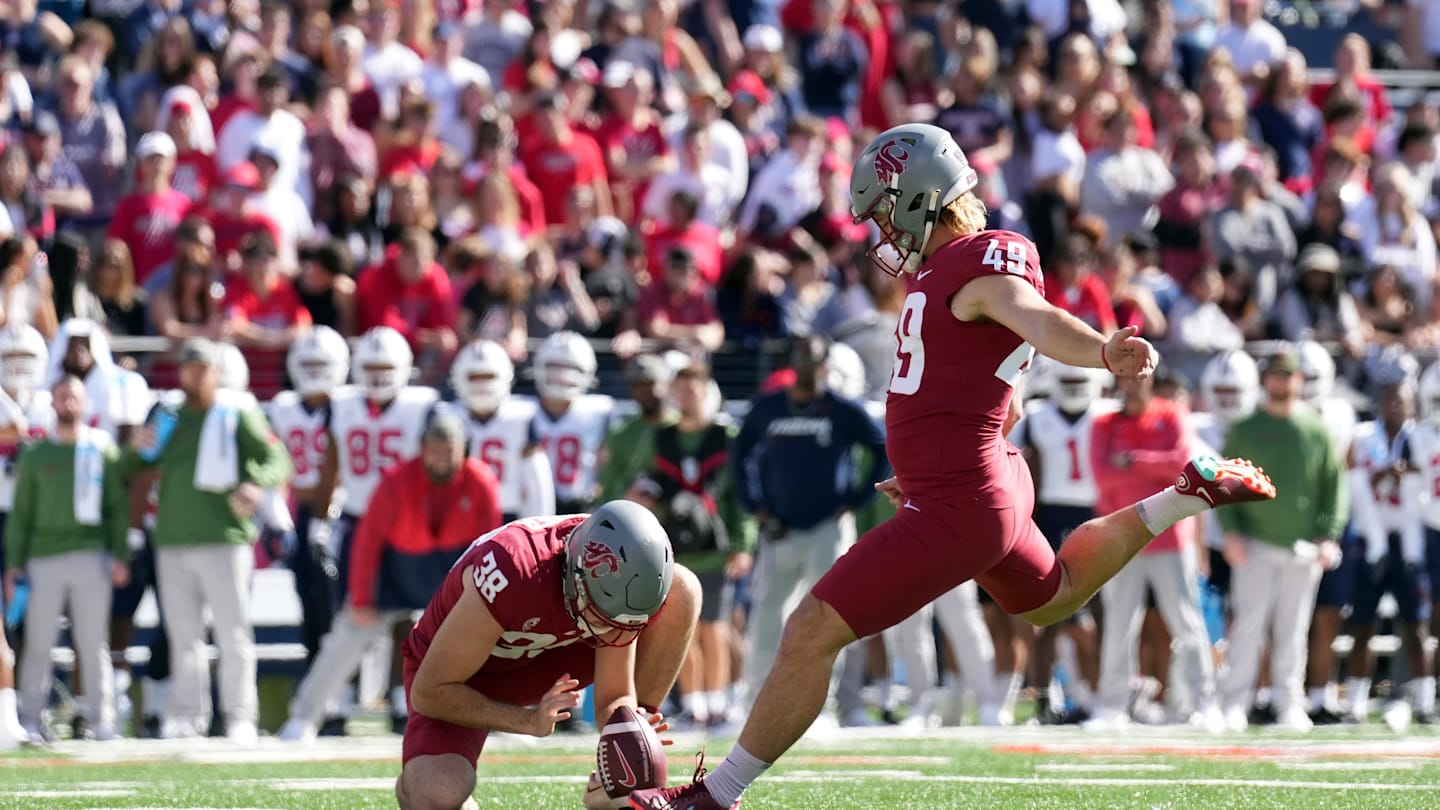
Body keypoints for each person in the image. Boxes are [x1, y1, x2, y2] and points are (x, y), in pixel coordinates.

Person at [630, 123, 1276, 810]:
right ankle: (1184, 494)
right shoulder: (950, 269)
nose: (879, 224)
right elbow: (1006, 402)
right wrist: (927, 456)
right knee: (1054, 594)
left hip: (961, 498)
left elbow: (1034, 315)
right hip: (977, 481)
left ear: (917, 195)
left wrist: (1101, 352)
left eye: (884, 205)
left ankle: (716, 796)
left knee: (812, 627)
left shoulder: (976, 265)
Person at [394, 501, 701, 810]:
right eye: (602, 618)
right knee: (436, 792)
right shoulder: (514, 567)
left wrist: (630, 734)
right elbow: (429, 691)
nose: (612, 631)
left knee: (683, 589)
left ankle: (617, 780)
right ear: (576, 575)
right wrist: (527, 721)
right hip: (464, 674)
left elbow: (613, 697)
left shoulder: (609, 578)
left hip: (552, 655)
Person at [281, 411, 503, 741]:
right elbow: (367, 542)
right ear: (422, 449)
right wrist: (360, 597)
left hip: (451, 572)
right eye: (435, 448)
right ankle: (303, 718)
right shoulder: (396, 480)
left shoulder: (481, 481)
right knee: (346, 638)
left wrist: (490, 602)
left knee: (494, 634)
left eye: (450, 449)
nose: (442, 456)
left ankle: (501, 715)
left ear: (464, 449)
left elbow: (492, 544)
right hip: (392, 571)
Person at [128, 338, 292, 742]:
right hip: (172, 539)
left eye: (202, 368)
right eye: (188, 367)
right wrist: (136, 446)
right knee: (184, 635)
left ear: (216, 373)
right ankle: (188, 714)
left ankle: (239, 715)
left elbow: (279, 458)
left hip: (225, 539)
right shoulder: (167, 416)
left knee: (233, 633)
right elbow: (133, 466)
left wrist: (256, 484)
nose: (194, 375)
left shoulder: (236, 414)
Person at [729, 335, 889, 711]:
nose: (808, 369)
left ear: (824, 365)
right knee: (768, 614)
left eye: (814, 362)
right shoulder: (767, 408)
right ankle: (757, 702)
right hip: (781, 528)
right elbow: (739, 456)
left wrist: (857, 498)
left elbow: (882, 448)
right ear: (792, 365)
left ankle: (823, 705)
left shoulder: (842, 409)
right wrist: (756, 506)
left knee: (829, 615)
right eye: (802, 361)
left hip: (827, 527)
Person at [315, 325, 440, 734]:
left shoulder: (422, 407)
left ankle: (402, 698)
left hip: (404, 522)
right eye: (371, 366)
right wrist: (320, 520)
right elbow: (329, 465)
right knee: (349, 612)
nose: (380, 374)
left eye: (387, 366)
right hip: (355, 517)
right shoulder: (343, 404)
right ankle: (339, 698)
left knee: (409, 615)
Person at [1217, 350, 1348, 732]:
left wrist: (1330, 535)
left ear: (1299, 380)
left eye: (1287, 375)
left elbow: (1335, 486)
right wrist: (1230, 532)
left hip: (1303, 546)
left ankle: (1289, 704)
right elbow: (1225, 483)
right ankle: (1234, 704)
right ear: (1265, 379)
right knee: (1247, 627)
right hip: (1254, 543)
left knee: (1293, 630)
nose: (1281, 381)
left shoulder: (1316, 429)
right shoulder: (1244, 427)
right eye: (1274, 374)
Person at [1088, 372, 1221, 730]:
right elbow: (1102, 476)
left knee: (1186, 621)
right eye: (1123, 380)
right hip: (1122, 538)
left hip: (1170, 536)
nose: (1129, 385)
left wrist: (1131, 460)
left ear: (1148, 381)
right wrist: (1152, 468)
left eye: (1135, 380)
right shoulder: (1103, 423)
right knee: (1118, 623)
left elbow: (1182, 467)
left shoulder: (1173, 415)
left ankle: (1204, 704)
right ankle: (1112, 706)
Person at [632, 359, 756, 730]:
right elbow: (646, 481)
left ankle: (717, 703)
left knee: (714, 625)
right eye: (681, 390)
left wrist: (743, 543)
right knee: (679, 626)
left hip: (714, 545)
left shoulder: (725, 437)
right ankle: (694, 704)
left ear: (708, 392)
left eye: (694, 390)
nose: (687, 398)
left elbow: (740, 497)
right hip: (672, 544)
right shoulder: (662, 437)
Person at [4, 375, 129, 741]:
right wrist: (14, 564)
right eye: (62, 397)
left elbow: (116, 508)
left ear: (85, 401)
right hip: (43, 560)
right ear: (52, 402)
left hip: (91, 557)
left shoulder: (101, 449)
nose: (69, 403)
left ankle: (103, 721)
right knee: (39, 644)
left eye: (74, 397)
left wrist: (120, 554)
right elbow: (21, 515)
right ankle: (30, 719)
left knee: (93, 643)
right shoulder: (37, 454)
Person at [1008, 363, 1112, 724]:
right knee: (1046, 613)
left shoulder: (1107, 413)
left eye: (1078, 380)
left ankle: (1101, 697)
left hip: (1097, 513)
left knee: (1102, 612)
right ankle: (1044, 696)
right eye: (1066, 380)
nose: (1073, 388)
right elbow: (1005, 455)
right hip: (1048, 517)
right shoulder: (1036, 415)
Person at [1343, 378, 1434, 728]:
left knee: (1416, 624)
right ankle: (1354, 703)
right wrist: (1382, 474)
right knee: (1363, 623)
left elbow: (1426, 480)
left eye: (1402, 400)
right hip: (1370, 539)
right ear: (1379, 403)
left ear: (1413, 404)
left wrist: (1405, 474)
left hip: (1409, 539)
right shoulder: (1363, 436)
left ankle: (1425, 701)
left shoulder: (1423, 437)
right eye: (1390, 399)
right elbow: (1351, 477)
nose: (1396, 405)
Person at [266, 326, 350, 662]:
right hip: (298, 511)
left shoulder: (349, 404)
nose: (314, 373)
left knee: (341, 596)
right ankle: (315, 662)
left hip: (342, 512)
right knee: (307, 594)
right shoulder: (282, 406)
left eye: (322, 365)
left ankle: (346, 676)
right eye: (308, 365)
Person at [449, 338, 555, 522]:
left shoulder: (523, 417)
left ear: (505, 376)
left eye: (488, 376)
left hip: (507, 512)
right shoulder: (448, 415)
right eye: (474, 377)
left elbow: (538, 479)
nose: (482, 384)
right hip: (459, 514)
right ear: (459, 378)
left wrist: (540, 525)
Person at [528, 331, 615, 514]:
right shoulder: (521, 413)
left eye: (571, 368)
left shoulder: (602, 412)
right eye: (554, 366)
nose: (561, 374)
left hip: (582, 506)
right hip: (530, 509)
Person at [598, 354, 675, 505]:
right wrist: (626, 494)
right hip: (631, 515)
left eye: (649, 384)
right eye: (637, 385)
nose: (643, 391)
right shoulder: (620, 433)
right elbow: (608, 487)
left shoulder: (683, 427)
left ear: (666, 384)